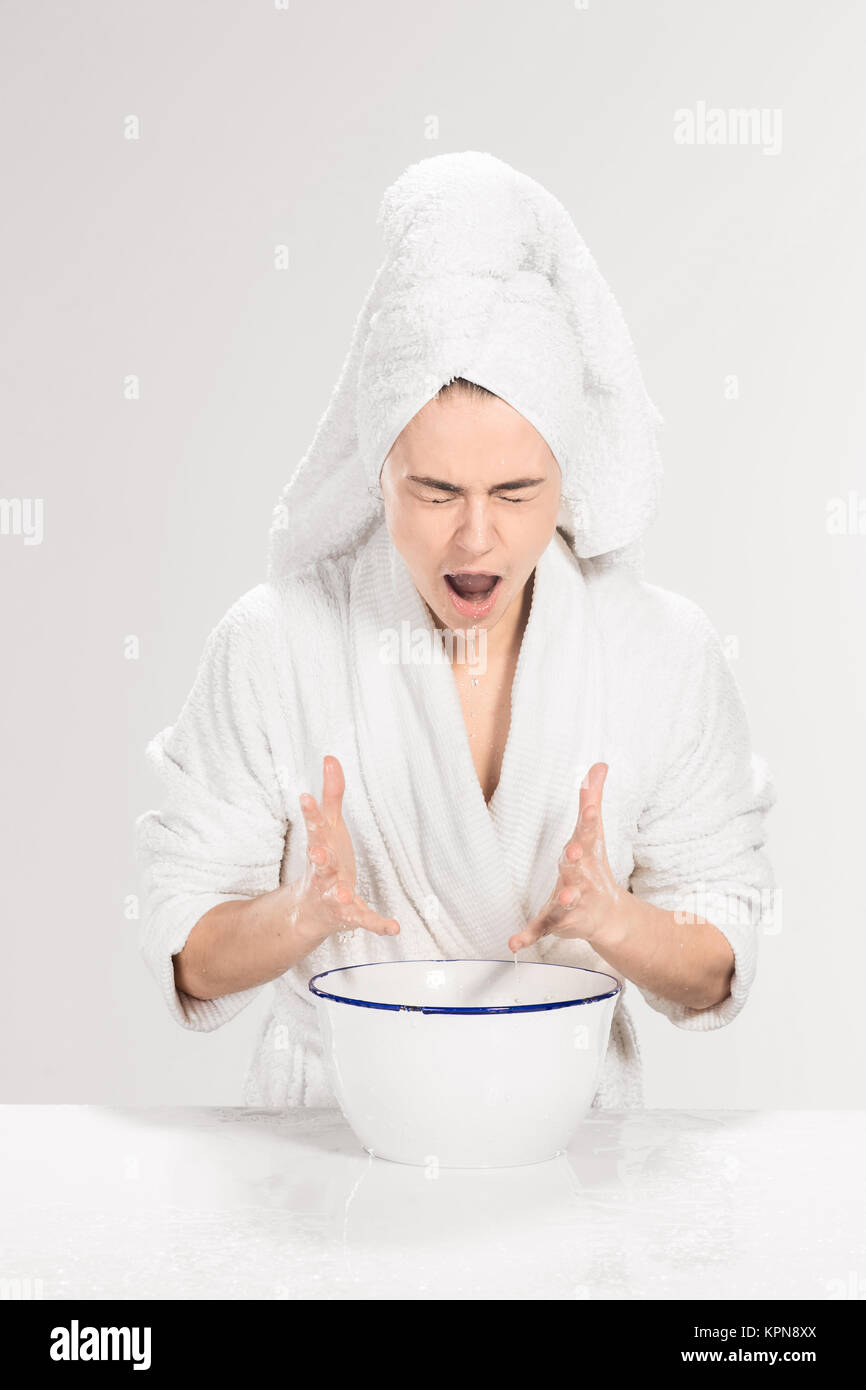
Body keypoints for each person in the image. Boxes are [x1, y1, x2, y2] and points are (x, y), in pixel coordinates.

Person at [135, 152, 776, 1109]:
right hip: (329, 1156)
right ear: (374, 469)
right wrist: (299, 916)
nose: (476, 537)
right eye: (434, 491)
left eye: (517, 492)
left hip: (567, 1156)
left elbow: (721, 958)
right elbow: (181, 943)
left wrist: (613, 919)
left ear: (568, 471)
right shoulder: (276, 643)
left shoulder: (660, 652)